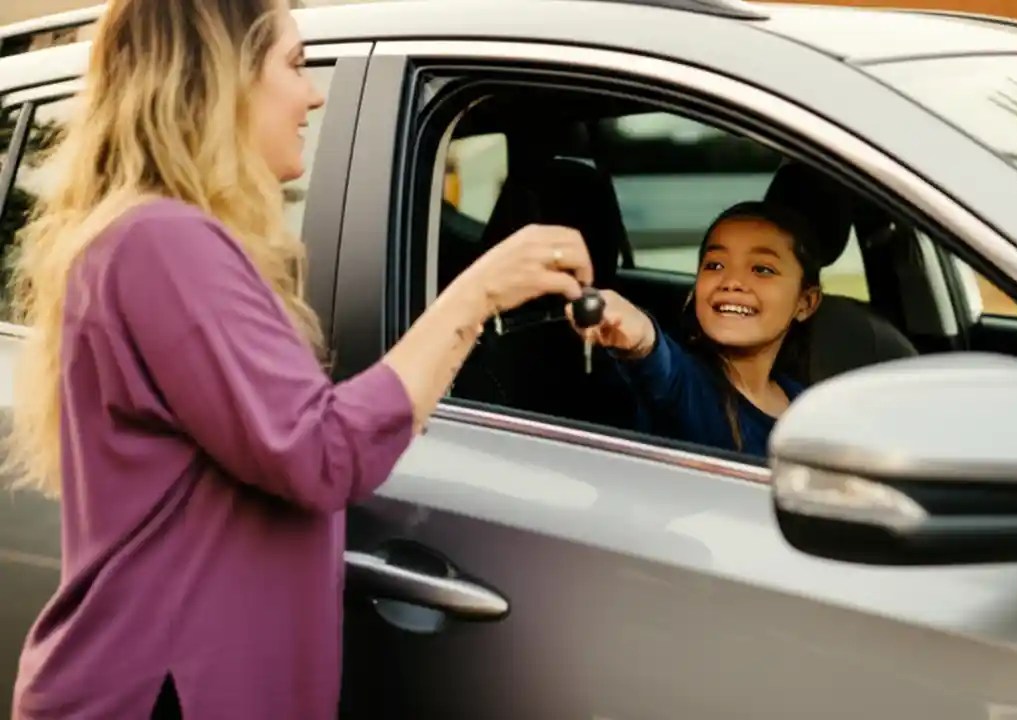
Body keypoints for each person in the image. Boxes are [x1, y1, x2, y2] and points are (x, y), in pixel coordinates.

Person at [5, 1, 593, 718]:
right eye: (292, 64)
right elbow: (321, 452)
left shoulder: (145, 237)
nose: (313, 93)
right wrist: (474, 296)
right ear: (217, 79)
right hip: (169, 692)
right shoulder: (165, 242)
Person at [569, 201, 823, 457]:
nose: (732, 282)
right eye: (715, 265)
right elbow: (658, 364)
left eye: (762, 269)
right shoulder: (685, 387)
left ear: (806, 302)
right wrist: (640, 337)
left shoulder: (804, 404)